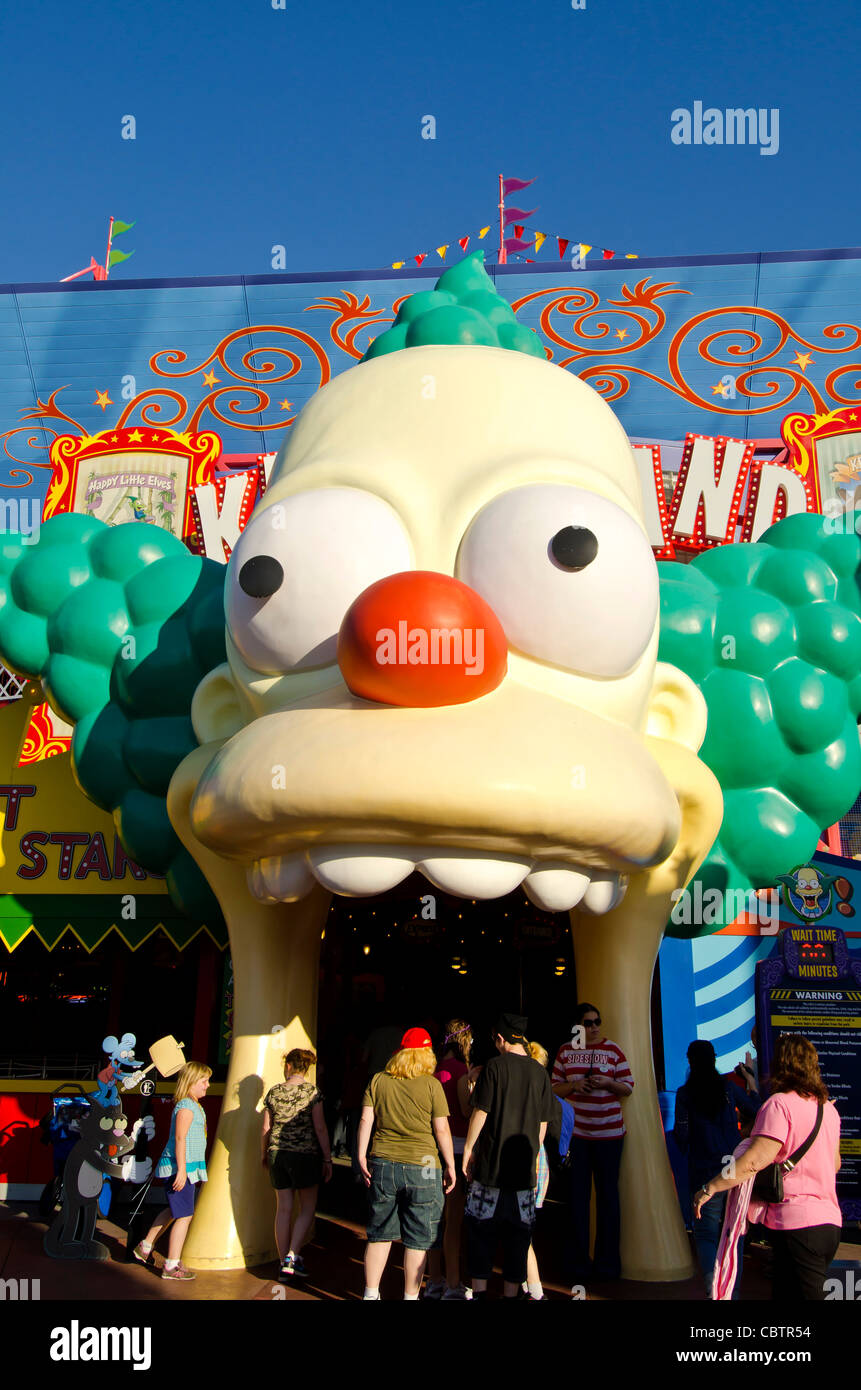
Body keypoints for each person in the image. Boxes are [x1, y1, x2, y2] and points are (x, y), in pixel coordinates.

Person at [694, 1034, 842, 1301]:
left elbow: (752, 1162)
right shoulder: (827, 1110)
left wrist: (710, 1187)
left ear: (781, 1065)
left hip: (796, 1224)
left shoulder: (779, 1104)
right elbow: (835, 1164)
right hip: (829, 1223)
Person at [462, 1013, 556, 1300]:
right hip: (523, 1172)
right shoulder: (539, 1072)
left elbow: (481, 1112)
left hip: (491, 1167)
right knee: (519, 1237)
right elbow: (542, 1126)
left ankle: (479, 1293)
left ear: (501, 1038)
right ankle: (511, 1293)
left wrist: (468, 1150)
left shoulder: (494, 1067)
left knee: (480, 1232)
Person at [357, 1027, 456, 1300]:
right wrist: (450, 1165)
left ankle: (371, 1293)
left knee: (379, 1233)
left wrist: (361, 1155)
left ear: (399, 1052)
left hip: (383, 1162)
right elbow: (442, 1130)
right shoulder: (432, 1084)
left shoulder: (378, 1080)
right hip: (424, 1165)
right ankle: (410, 1296)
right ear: (427, 1054)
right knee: (418, 1238)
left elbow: (366, 1120)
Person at [552, 1002, 633, 1282]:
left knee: (609, 1198)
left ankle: (608, 1265)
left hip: (610, 1136)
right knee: (578, 1199)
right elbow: (553, 1088)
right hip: (577, 1136)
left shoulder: (614, 1050)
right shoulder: (565, 1051)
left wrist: (607, 1084)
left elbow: (628, 1087)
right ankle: (577, 1263)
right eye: (588, 1023)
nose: (595, 1027)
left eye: (597, 1021)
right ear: (578, 1026)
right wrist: (575, 1085)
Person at [673, 1039, 760, 1297]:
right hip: (733, 1168)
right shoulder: (728, 1089)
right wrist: (752, 1084)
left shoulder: (685, 1094)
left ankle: (715, 1292)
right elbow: (756, 1110)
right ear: (714, 1059)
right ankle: (731, 1291)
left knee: (706, 1236)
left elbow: (681, 1135)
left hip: (703, 1171)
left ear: (690, 1061)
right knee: (734, 1234)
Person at [133, 1060, 211, 1280]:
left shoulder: (193, 1105)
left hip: (184, 1168)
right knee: (185, 1215)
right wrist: (182, 1171)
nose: (207, 1085)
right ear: (192, 1082)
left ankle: (146, 1246)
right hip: (180, 1168)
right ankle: (171, 1265)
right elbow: (180, 1138)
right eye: (204, 1081)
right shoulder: (186, 1106)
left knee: (175, 1210)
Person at [261, 1047, 332, 1280]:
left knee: (283, 1209)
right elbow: (320, 1127)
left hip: (278, 1155)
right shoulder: (313, 1092)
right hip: (306, 1155)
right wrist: (327, 1158)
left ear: (289, 1066)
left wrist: (264, 1154)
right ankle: (293, 1255)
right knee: (307, 1208)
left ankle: (283, 1264)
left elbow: (266, 1129)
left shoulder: (273, 1092)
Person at [425, 1019, 474, 1300]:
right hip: (455, 1148)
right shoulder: (460, 1072)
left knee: (433, 1220)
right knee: (453, 1221)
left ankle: (434, 1280)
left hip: (430, 1150)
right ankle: (453, 1283)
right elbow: (466, 1113)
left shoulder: (432, 1072)